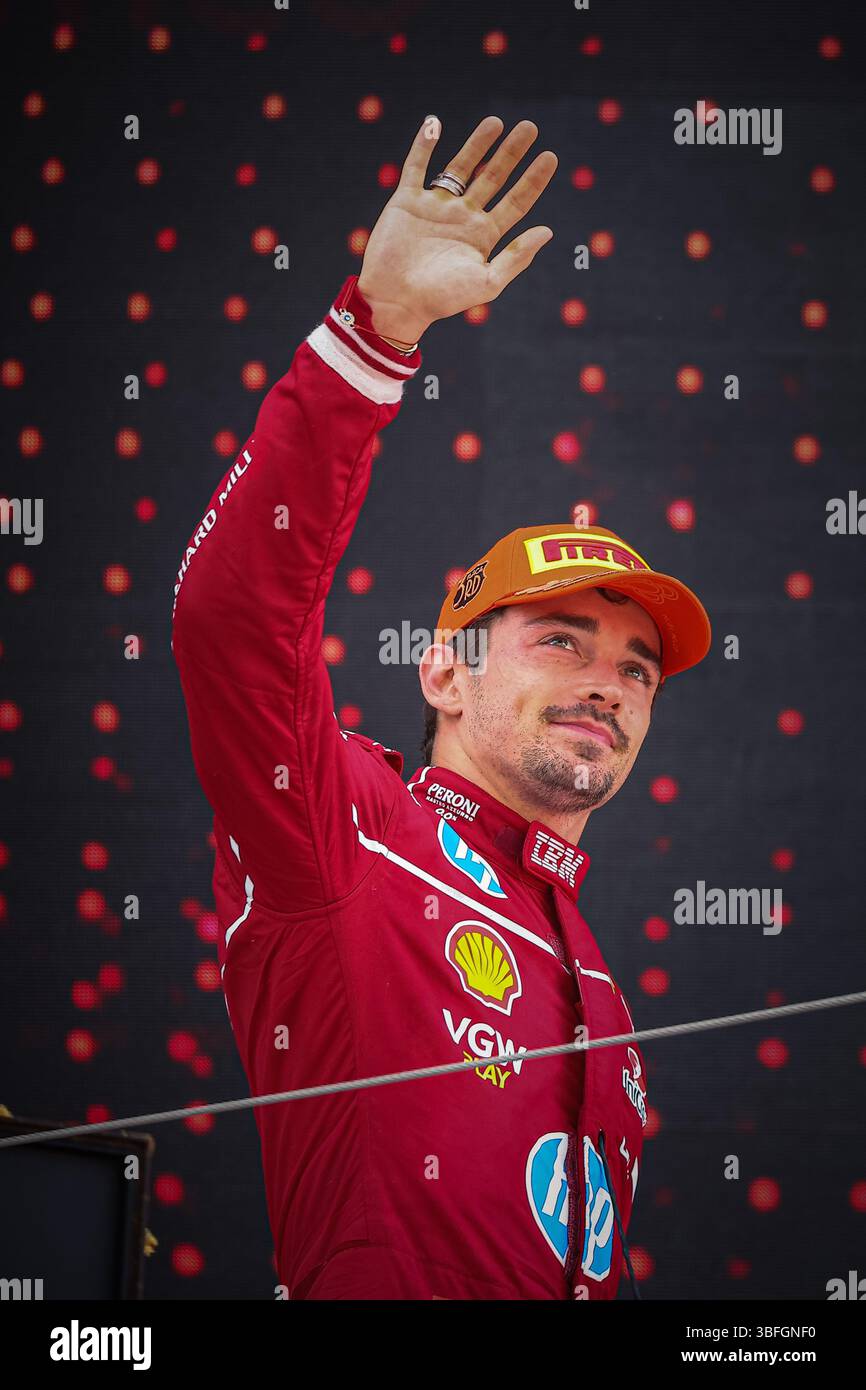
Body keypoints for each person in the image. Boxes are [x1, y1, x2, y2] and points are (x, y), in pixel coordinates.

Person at [172, 114, 711, 1300]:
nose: (604, 683)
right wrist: (375, 337)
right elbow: (230, 625)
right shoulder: (346, 829)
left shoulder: (606, 992)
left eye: (634, 666)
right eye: (558, 639)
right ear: (442, 671)